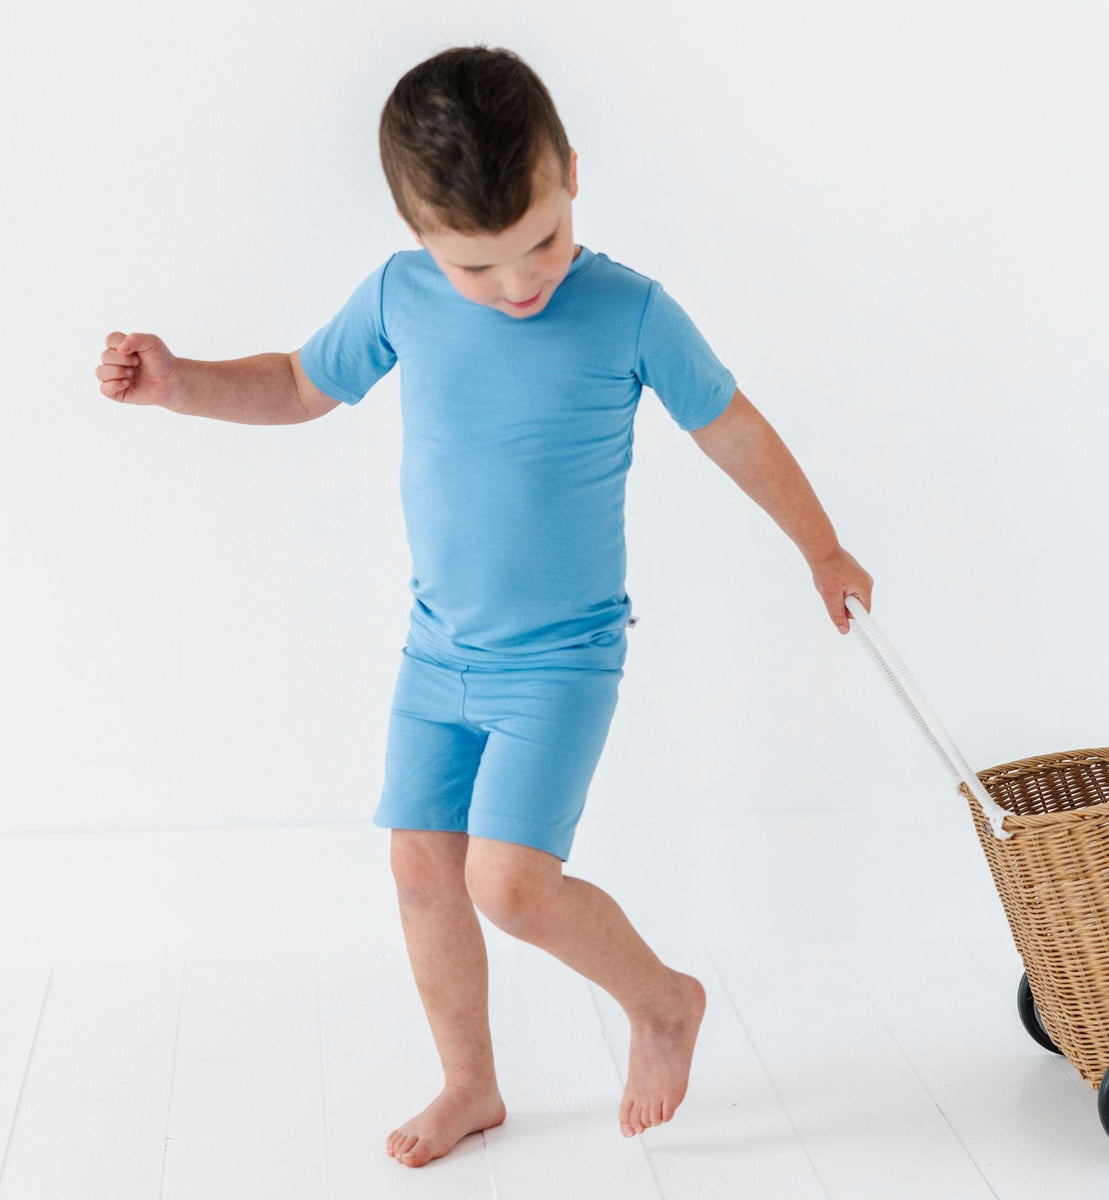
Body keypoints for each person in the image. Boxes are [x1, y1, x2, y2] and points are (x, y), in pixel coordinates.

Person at [94, 43, 874, 1170]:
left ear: (570, 172)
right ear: (417, 237)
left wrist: (822, 548)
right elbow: (300, 385)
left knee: (507, 883)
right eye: (477, 266)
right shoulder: (399, 298)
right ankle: (471, 1083)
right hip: (437, 651)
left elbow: (733, 429)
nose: (520, 285)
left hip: (562, 659)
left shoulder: (631, 312)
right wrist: (180, 383)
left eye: (542, 243)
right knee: (421, 866)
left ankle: (661, 1003)